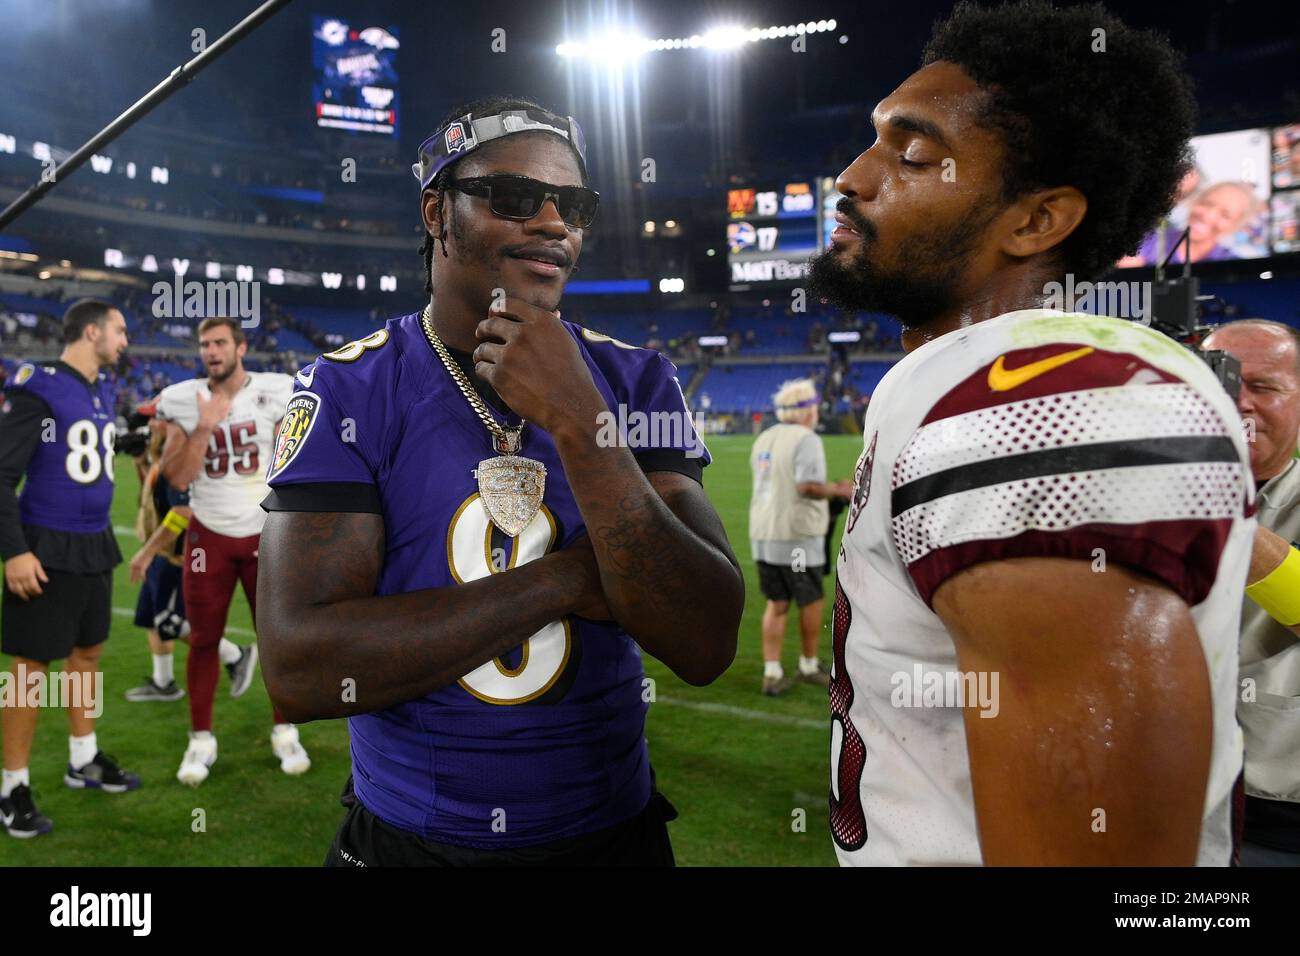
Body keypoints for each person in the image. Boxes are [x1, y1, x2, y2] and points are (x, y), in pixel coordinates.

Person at [808, 0, 1252, 865]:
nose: (854, 178)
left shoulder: (1041, 400)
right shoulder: (959, 378)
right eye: (871, 141)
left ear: (1037, 221)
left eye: (913, 154)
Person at [257, 96, 744, 866]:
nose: (554, 223)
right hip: (410, 844)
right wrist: (565, 581)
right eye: (515, 198)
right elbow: (302, 669)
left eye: (573, 204)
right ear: (435, 212)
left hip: (611, 838)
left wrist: (583, 423)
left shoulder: (637, 381)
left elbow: (705, 639)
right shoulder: (347, 391)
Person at [0, 299, 140, 837]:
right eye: (119, 330)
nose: (125, 341)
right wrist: (14, 551)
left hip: (92, 543)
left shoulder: (98, 388)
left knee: (87, 654)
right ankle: (11, 786)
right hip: (44, 545)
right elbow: (1, 475)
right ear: (91, 331)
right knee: (30, 672)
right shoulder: (38, 384)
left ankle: (83, 757)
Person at [156, 316, 307, 785]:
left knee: (277, 638)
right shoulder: (184, 398)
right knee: (203, 639)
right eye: (205, 344)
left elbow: (294, 459)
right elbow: (176, 478)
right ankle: (200, 739)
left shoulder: (276, 389)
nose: (211, 351)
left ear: (240, 348)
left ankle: (285, 729)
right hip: (209, 536)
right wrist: (203, 427)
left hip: (265, 534)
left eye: (220, 343)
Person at [1202, 319, 1300, 865]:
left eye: (1262, 388)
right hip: (1178, 799)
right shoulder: (1153, 492)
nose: (1238, 404)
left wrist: (1223, 497)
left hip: (1278, 820)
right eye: (1221, 384)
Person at [125, 405, 259, 702]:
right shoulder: (161, 457)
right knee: (151, 617)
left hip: (178, 554)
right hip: (163, 552)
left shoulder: (181, 459)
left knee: (169, 620)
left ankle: (235, 654)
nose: (149, 428)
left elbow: (181, 514)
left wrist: (147, 552)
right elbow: (154, 499)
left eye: (154, 422)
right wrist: (139, 462)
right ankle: (164, 683)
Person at [749, 378, 853, 695]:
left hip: (764, 534)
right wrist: (839, 489)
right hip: (796, 538)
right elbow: (807, 486)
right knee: (810, 601)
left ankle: (772, 671)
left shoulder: (764, 437)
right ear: (807, 409)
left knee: (776, 603)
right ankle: (808, 665)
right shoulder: (805, 439)